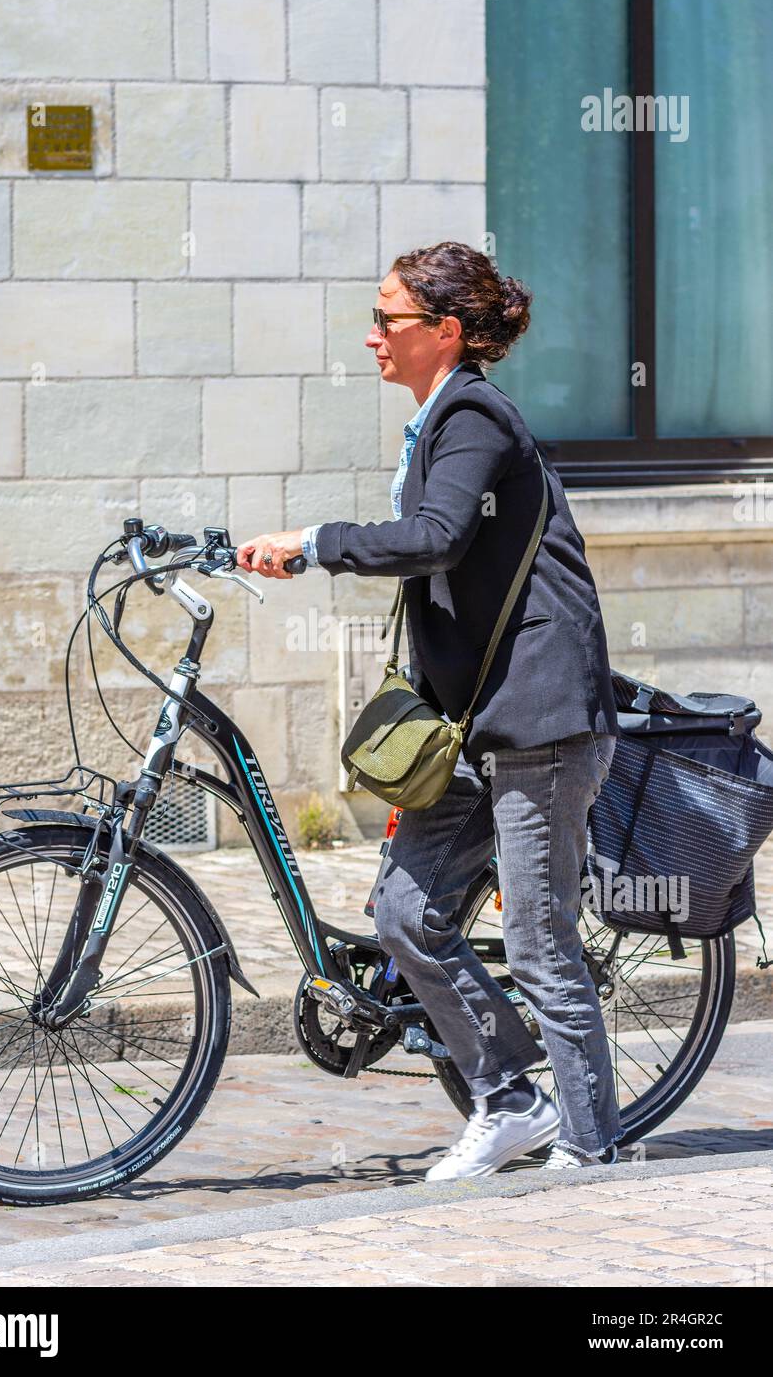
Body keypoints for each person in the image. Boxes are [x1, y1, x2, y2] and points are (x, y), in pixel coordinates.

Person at [236, 239, 624, 1178]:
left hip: (541, 720)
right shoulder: (437, 422)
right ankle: (509, 1099)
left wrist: (317, 540)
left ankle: (592, 1150)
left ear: (444, 331)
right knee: (406, 914)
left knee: (538, 938)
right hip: (469, 723)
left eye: (387, 319)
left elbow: (437, 538)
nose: (371, 336)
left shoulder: (476, 415)